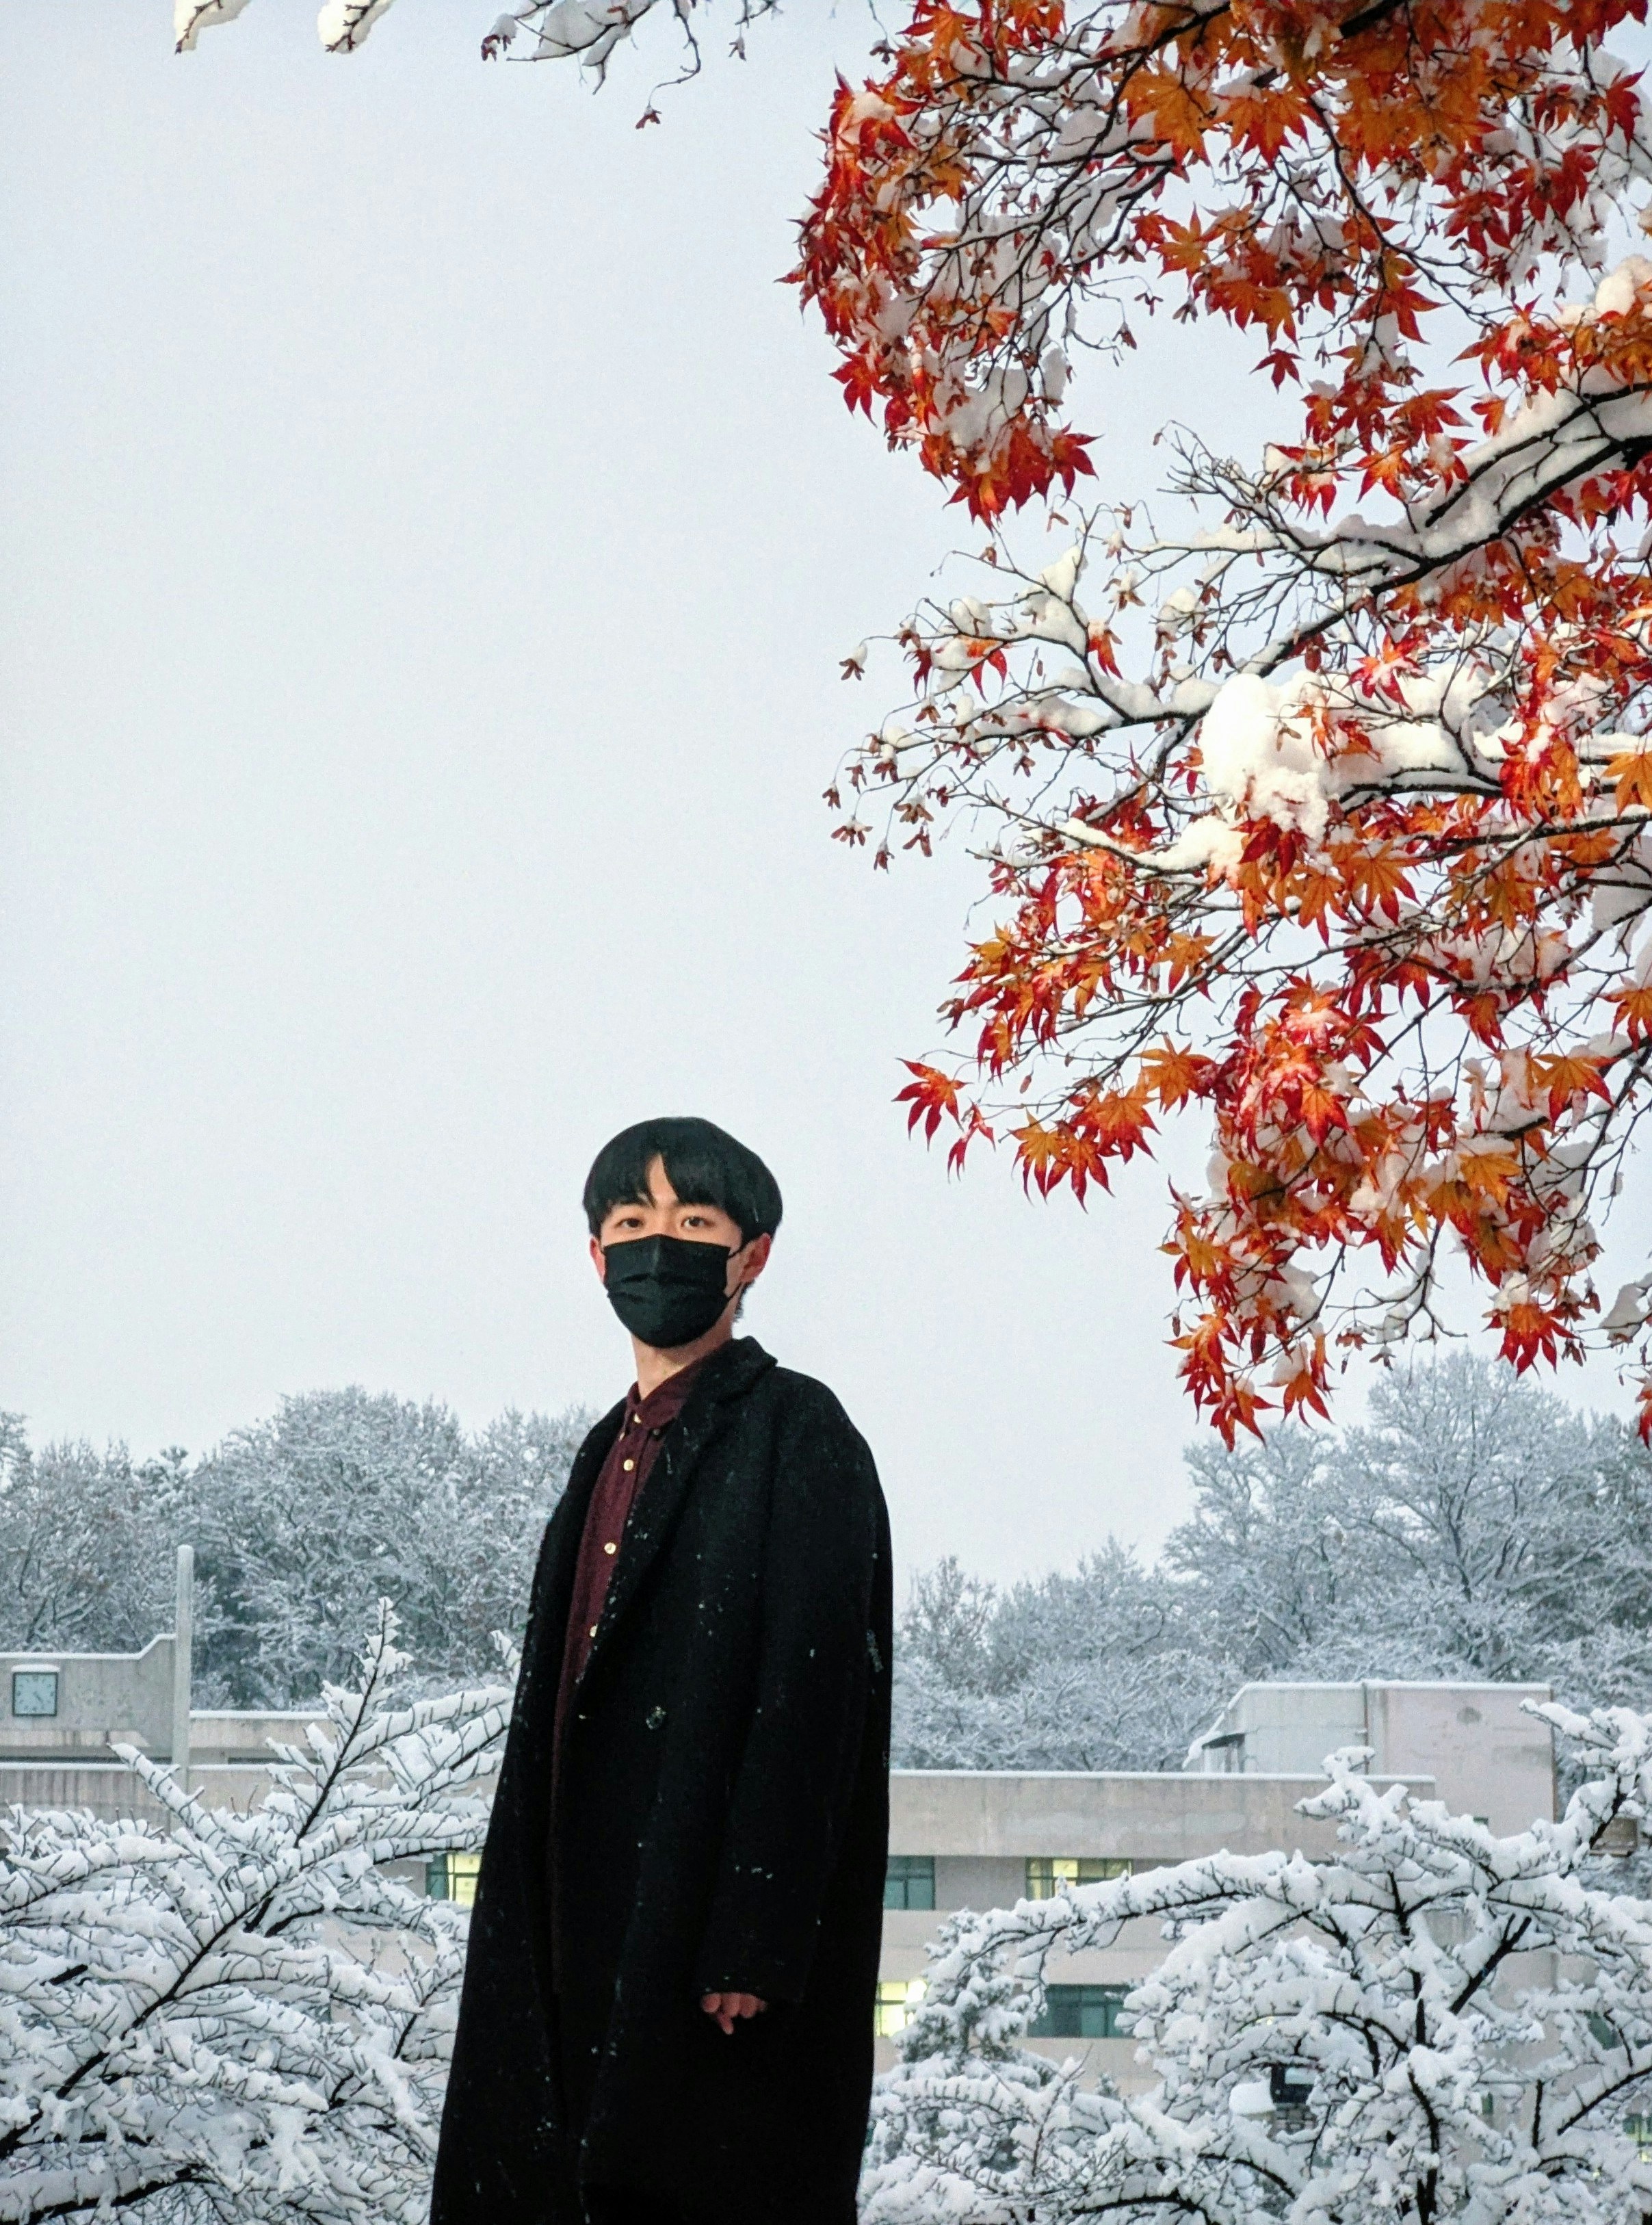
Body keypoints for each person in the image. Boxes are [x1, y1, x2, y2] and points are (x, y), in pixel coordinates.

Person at [430, 1116, 893, 2225]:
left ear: (752, 1255)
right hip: (572, 1903)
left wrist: (756, 1933)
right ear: (596, 1258)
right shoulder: (605, 1446)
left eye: (694, 1223)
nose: (658, 1247)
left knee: (692, 2181)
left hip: (709, 1943)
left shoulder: (800, 1431)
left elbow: (817, 1695)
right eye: (631, 1224)